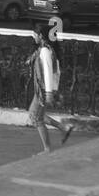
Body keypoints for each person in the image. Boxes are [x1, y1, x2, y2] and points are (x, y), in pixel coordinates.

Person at [30, 22, 72, 152]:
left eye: (35, 34)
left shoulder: (45, 50)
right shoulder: (46, 49)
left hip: (43, 90)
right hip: (43, 88)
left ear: (41, 35)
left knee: (36, 118)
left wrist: (49, 92)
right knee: (35, 115)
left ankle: (47, 149)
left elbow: (48, 71)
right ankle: (63, 128)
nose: (34, 37)